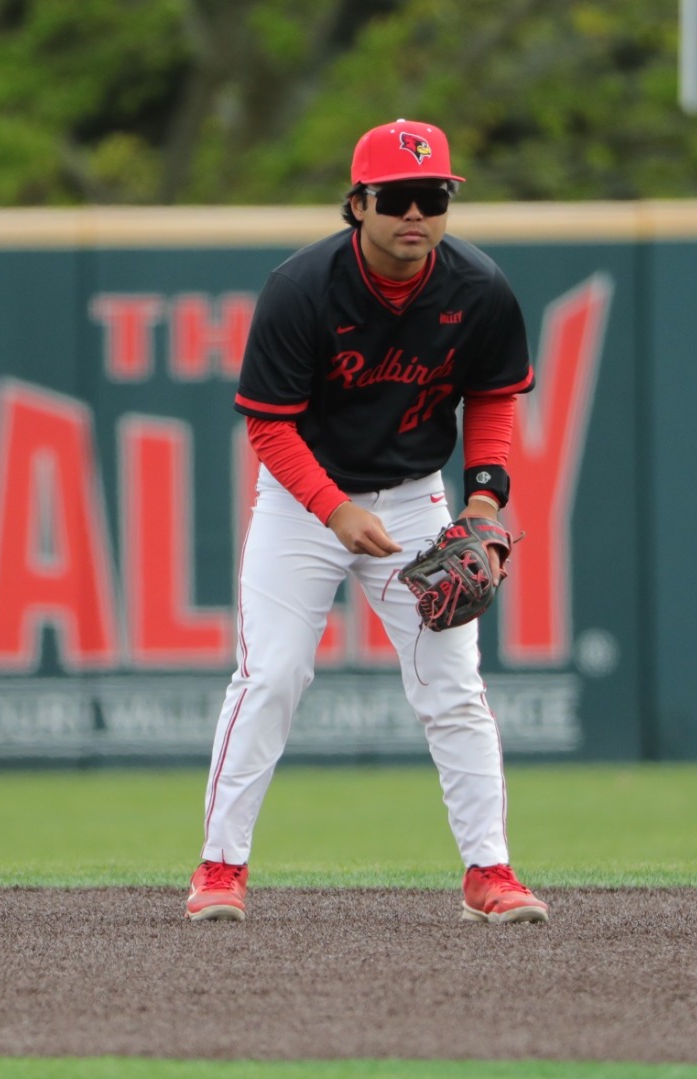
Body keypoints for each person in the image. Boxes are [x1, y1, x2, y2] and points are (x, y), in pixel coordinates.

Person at [185, 119, 549, 925]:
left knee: (453, 688)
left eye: (434, 197)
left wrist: (483, 505)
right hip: (303, 503)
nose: (416, 214)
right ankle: (219, 868)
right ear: (359, 204)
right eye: (398, 198)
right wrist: (334, 509)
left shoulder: (479, 288)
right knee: (272, 675)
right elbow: (270, 427)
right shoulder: (302, 288)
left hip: (418, 500)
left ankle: (490, 870)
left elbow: (494, 396)